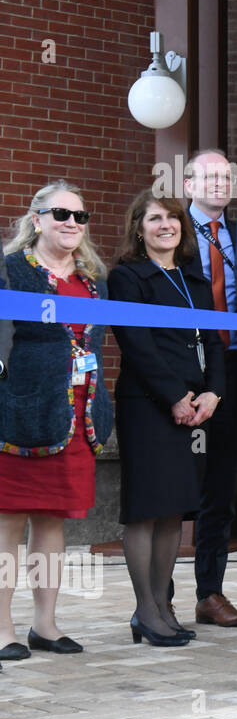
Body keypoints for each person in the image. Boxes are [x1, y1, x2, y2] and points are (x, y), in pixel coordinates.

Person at [0, 182, 113, 662]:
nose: (71, 223)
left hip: (79, 416)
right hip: (23, 412)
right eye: (60, 214)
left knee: (53, 524)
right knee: (7, 522)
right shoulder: (10, 271)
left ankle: (44, 624)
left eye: (80, 217)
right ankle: (1, 628)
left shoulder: (93, 278)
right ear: (37, 218)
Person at [109, 191, 225, 648]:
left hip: (196, 406)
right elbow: (137, 344)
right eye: (154, 219)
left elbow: (214, 341)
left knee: (174, 508)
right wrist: (176, 397)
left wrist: (213, 392)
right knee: (146, 508)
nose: (165, 226)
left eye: (172, 218)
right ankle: (145, 611)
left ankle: (163, 606)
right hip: (148, 405)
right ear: (138, 228)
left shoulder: (194, 278)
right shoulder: (127, 277)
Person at [181, 149, 237, 629]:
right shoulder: (170, 231)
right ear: (188, 185)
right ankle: (155, 598)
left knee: (221, 486)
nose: (219, 183)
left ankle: (210, 592)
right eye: (208, 175)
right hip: (184, 368)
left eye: (226, 176)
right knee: (169, 486)